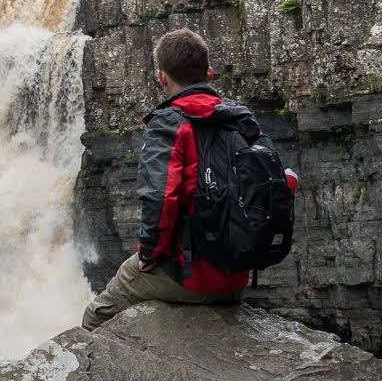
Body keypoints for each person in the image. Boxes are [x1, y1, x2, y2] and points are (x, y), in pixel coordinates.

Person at [81, 28, 299, 331]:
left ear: (162, 77)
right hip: (237, 275)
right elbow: (281, 182)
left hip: (188, 275)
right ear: (209, 73)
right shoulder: (241, 120)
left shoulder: (168, 124)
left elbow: (161, 198)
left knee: (96, 317)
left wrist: (148, 254)